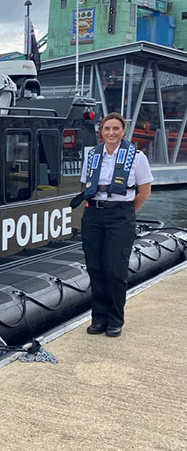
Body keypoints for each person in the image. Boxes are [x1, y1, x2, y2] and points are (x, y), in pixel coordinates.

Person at [81, 112, 153, 338]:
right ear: (101, 132)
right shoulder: (92, 155)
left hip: (120, 215)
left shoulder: (137, 157)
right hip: (93, 214)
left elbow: (144, 192)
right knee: (95, 267)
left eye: (115, 129)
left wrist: (127, 213)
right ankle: (98, 318)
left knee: (115, 270)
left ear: (123, 132)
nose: (111, 133)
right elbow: (86, 185)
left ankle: (114, 320)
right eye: (106, 129)